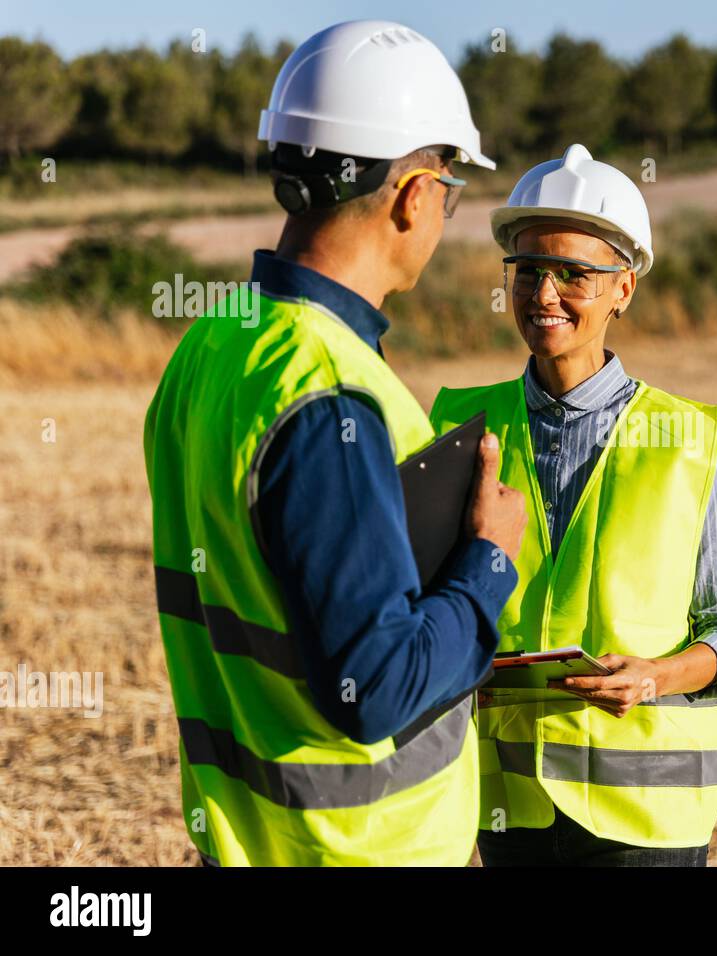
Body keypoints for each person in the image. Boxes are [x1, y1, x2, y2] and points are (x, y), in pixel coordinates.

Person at [142, 20, 526, 866]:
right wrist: (489, 563)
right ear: (414, 194)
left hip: (246, 838)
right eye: (450, 190)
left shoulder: (214, 346)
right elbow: (374, 687)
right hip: (353, 851)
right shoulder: (327, 391)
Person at [431, 144, 717, 866]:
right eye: (527, 271)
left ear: (624, 288)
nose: (544, 294)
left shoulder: (692, 440)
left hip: (643, 823)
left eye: (573, 274)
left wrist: (656, 677)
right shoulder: (461, 426)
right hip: (505, 808)